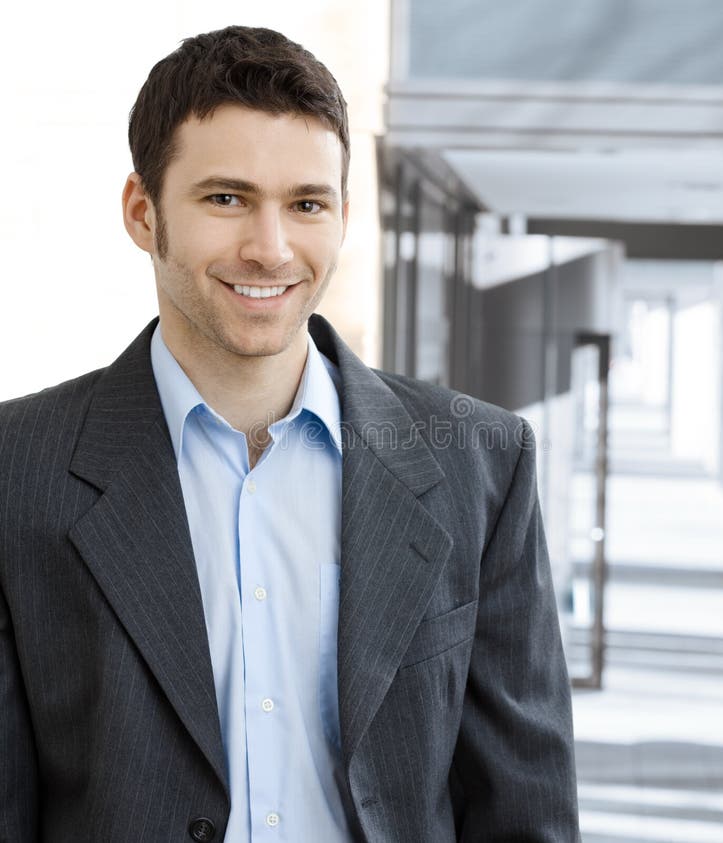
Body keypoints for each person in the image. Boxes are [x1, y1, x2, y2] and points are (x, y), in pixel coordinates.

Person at [0, 25, 580, 843]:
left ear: (343, 215)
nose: (270, 249)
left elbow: (525, 808)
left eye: (306, 204)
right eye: (226, 198)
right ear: (142, 211)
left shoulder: (480, 462)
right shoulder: (17, 468)